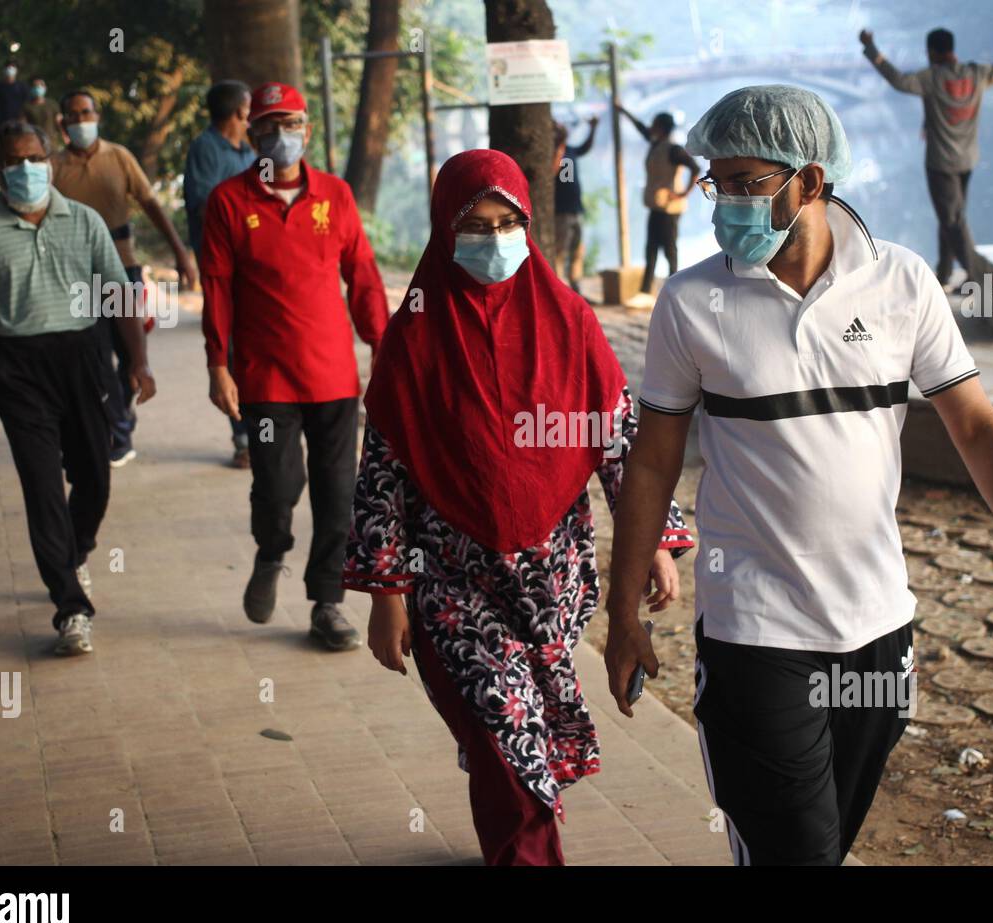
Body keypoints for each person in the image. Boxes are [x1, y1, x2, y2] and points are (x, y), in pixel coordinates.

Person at [604, 85, 993, 867]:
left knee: (822, 844)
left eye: (748, 183)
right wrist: (622, 607)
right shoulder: (692, 302)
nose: (726, 201)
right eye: (716, 183)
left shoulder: (900, 284)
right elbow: (654, 458)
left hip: (877, 630)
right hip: (754, 634)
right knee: (797, 852)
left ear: (813, 180)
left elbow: (976, 426)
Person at [345, 148, 694, 866]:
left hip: (550, 585)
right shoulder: (413, 336)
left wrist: (654, 539)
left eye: (511, 223)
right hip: (451, 585)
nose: (496, 240)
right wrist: (387, 594)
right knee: (508, 738)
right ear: (445, 229)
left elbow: (620, 439)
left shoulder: (566, 319)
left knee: (516, 733)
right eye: (476, 225)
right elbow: (383, 472)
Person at [0, 119, 155, 655]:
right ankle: (70, 608)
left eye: (36, 158)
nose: (28, 169)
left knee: (94, 477)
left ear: (49, 161)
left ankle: (76, 551)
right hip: (19, 368)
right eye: (16, 162)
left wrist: (138, 361)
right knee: (41, 488)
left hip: (84, 359)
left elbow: (117, 294)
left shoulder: (83, 222)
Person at [199, 82, 388, 651]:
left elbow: (364, 276)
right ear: (251, 132)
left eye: (293, 124)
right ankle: (271, 551)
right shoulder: (229, 202)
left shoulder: (336, 195)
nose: (283, 135)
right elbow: (217, 290)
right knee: (278, 485)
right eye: (270, 125)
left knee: (338, 491)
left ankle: (327, 604)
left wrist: (383, 347)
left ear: (308, 131)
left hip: (333, 378)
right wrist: (218, 365)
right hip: (265, 379)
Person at [52, 89, 197, 467]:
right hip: (79, 277)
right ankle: (118, 432)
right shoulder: (53, 167)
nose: (81, 120)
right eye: (74, 114)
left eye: (87, 113)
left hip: (123, 269)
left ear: (97, 116)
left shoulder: (118, 157)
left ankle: (120, 413)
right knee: (96, 354)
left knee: (130, 352)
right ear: (63, 122)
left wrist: (180, 253)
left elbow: (151, 205)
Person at [860, 8, 993, 290]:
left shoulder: (930, 78)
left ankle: (978, 279)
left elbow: (897, 79)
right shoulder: (977, 74)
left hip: (941, 164)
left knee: (952, 220)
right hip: (968, 159)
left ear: (932, 52)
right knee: (949, 217)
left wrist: (870, 48)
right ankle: (944, 271)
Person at [184, 80, 255, 469]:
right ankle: (243, 437)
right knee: (227, 344)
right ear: (240, 112)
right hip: (222, 265)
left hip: (255, 266)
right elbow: (206, 202)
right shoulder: (205, 149)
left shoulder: (249, 150)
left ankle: (263, 431)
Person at [617, 106, 700, 302]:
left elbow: (695, 167)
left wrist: (683, 194)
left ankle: (674, 289)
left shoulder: (674, 150)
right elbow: (641, 128)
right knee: (651, 248)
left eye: (654, 124)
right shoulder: (657, 144)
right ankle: (646, 291)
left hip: (669, 208)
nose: (651, 127)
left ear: (661, 127)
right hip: (656, 206)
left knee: (669, 248)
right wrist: (623, 111)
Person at [552, 116, 598, 293]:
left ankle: (575, 283)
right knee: (560, 250)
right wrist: (559, 148)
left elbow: (585, 147)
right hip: (561, 211)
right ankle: (560, 286)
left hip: (575, 209)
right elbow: (553, 171)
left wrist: (593, 129)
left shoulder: (569, 150)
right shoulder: (553, 152)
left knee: (577, 249)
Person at [21, 77, 64, 154]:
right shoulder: (27, 107)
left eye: (40, 86)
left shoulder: (52, 104)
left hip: (52, 143)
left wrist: (64, 136)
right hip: (34, 143)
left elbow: (59, 122)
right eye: (35, 86)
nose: (38, 88)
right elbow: (23, 125)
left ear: (45, 88)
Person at [0, 61, 28, 126]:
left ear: (16, 70)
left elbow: (26, 104)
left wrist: (24, 118)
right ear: (4, 70)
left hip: (19, 122)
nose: (10, 69)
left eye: (12, 67)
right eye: (8, 67)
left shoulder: (22, 87)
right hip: (2, 122)